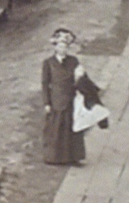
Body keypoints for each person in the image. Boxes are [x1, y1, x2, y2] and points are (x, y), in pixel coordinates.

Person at [42, 29, 100, 166]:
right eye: (60, 46)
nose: (63, 49)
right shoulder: (48, 63)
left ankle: (73, 158)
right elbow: (45, 83)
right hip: (56, 100)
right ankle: (54, 158)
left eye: (65, 47)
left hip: (71, 99)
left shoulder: (73, 61)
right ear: (55, 47)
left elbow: (81, 78)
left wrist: (82, 79)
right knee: (56, 130)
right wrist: (47, 102)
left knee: (73, 130)